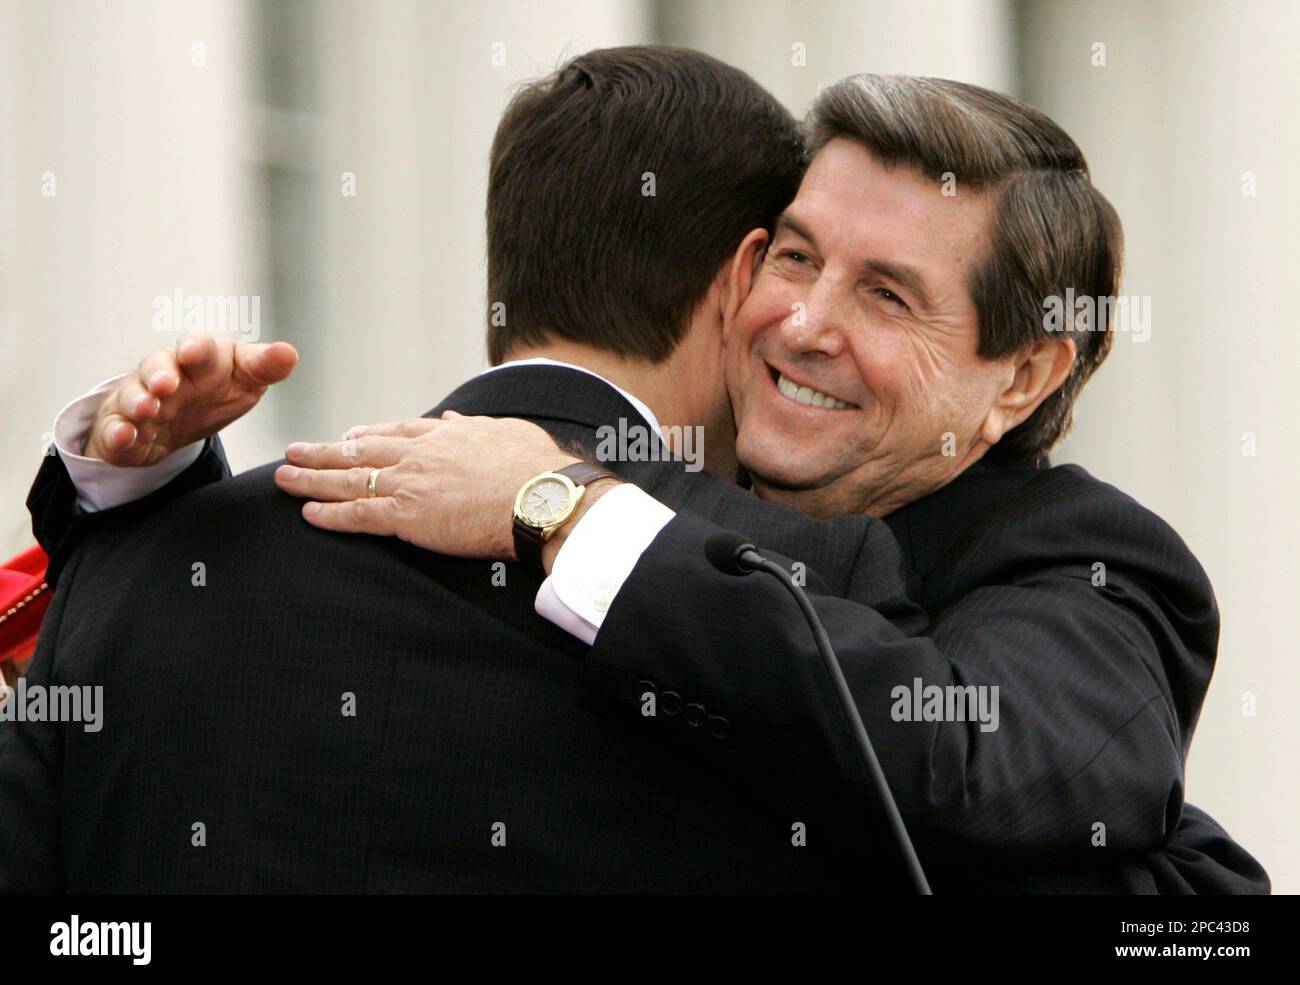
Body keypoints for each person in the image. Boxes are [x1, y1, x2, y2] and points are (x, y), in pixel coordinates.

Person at [9, 59, 1266, 893]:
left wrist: (564, 506)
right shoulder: (363, 511)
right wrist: (137, 503)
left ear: (1023, 375)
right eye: (796, 257)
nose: (803, 323)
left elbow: (1107, 853)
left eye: (885, 294)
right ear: (736, 274)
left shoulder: (1071, 569)